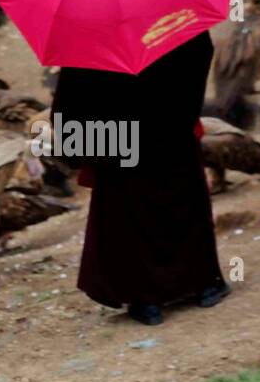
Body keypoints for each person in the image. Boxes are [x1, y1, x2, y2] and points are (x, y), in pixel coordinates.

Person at [52, 31, 228, 325]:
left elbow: (69, 104)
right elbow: (200, 55)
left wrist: (88, 149)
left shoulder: (87, 33)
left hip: (118, 143)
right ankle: (204, 284)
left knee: (129, 215)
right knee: (184, 203)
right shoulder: (177, 15)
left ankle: (147, 300)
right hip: (172, 131)